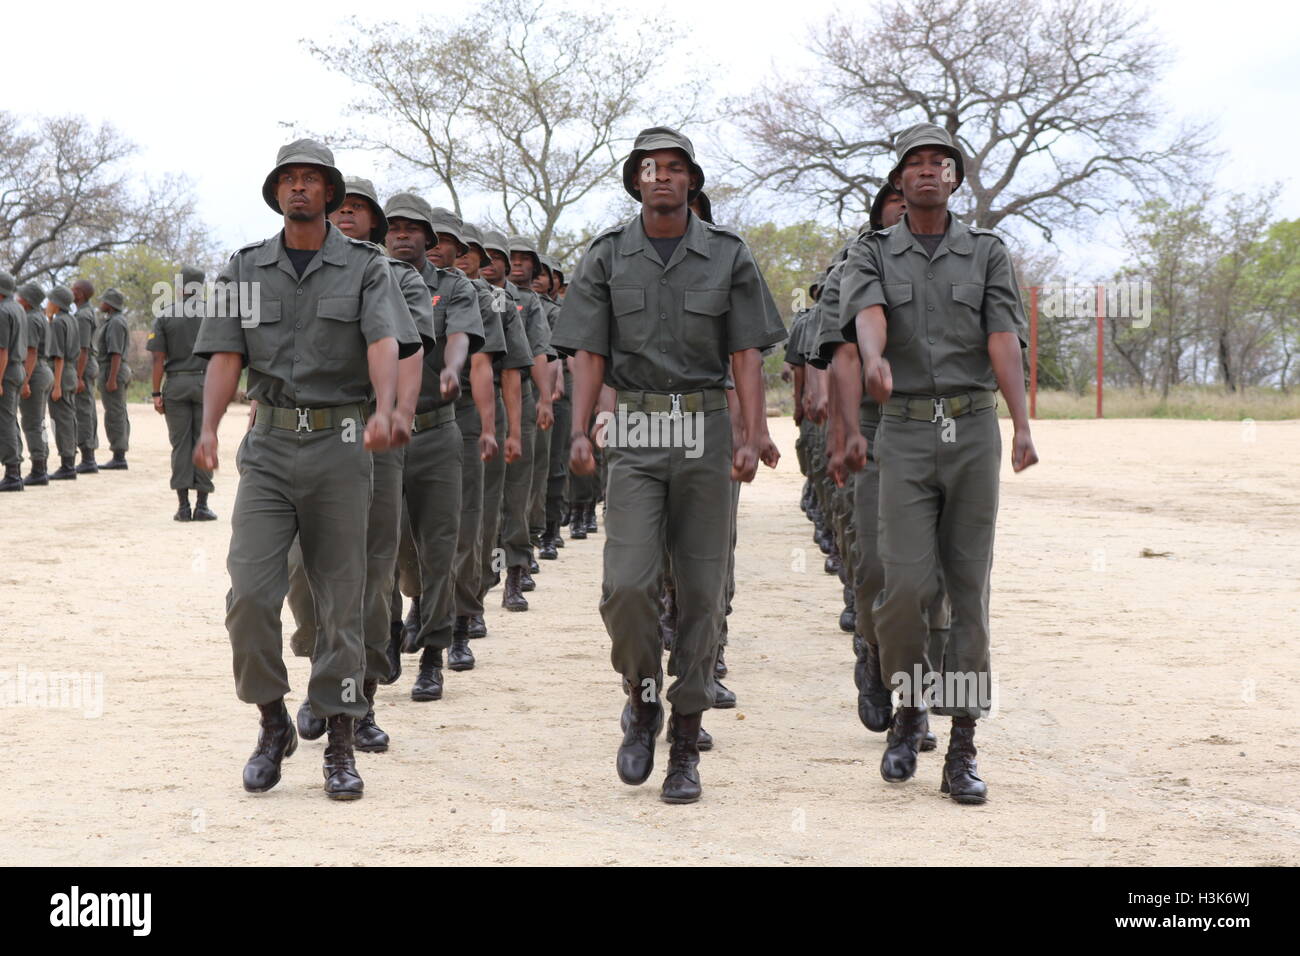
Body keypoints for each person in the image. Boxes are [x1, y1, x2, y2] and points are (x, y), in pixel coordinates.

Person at [553, 126, 785, 803]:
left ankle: (685, 741)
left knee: (704, 591)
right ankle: (642, 694)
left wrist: (751, 433)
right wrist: (579, 431)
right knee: (626, 585)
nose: (662, 177)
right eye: (650, 167)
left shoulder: (728, 254)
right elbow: (588, 352)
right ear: (635, 181)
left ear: (691, 181)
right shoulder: (605, 256)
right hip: (636, 427)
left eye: (675, 168)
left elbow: (746, 354)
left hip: (705, 428)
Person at [192, 139, 412, 800]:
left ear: (331, 193)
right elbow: (226, 355)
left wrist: (383, 408)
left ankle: (341, 742)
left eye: (311, 179)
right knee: (251, 596)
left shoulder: (366, 268)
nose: (298, 188)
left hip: (342, 446)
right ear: (275, 191)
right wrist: (206, 427)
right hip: (268, 446)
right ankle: (270, 721)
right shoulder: (244, 268)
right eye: (288, 179)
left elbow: (383, 340)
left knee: (342, 602)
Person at [828, 123, 1038, 804]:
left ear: (955, 178)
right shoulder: (872, 250)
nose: (926, 171)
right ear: (900, 180)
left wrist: (1023, 423)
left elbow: (1003, 337)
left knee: (968, 591)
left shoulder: (987, 253)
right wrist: (878, 357)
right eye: (914, 163)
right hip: (907, 431)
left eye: (938, 163)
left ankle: (963, 745)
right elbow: (869, 316)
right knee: (906, 589)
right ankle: (910, 704)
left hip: (973, 430)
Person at [282, 177, 431, 752]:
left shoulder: (396, 279)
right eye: (338, 209)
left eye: (357, 211)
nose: (345, 218)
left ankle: (358, 695)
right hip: (304, 442)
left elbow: (413, 351)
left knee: (369, 578)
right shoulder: (290, 272)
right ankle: (324, 670)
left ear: (375, 224)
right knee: (301, 572)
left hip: (371, 440)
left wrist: (396, 416)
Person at [385, 196, 483, 702]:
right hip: (383, 433)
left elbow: (464, 333)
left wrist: (451, 365)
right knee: (394, 542)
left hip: (436, 430)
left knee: (440, 544)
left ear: (429, 237)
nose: (402, 235)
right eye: (393, 227)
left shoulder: (454, 286)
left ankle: (432, 655)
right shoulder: (371, 280)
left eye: (412, 228)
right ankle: (405, 611)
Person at [449, 222, 529, 664]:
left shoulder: (493, 302)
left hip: (473, 412)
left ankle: (469, 606)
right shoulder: (390, 283)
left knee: (479, 516)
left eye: (467, 251)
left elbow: (512, 370)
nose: (459, 257)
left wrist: (508, 429)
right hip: (411, 418)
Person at [148, 265, 215, 519]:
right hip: (207, 385)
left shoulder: (165, 315)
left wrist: (156, 392)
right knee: (203, 442)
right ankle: (203, 505)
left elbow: (157, 358)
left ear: (181, 286)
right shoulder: (215, 313)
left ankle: (183, 506)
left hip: (175, 384)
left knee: (180, 445)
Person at [44, 286, 81, 480]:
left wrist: (56, 385)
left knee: (62, 419)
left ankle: (67, 465)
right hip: (70, 372)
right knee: (69, 416)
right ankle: (70, 459)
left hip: (61, 373)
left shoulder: (59, 323)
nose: (47, 304)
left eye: (50, 301)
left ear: (57, 304)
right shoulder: (71, 320)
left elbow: (58, 356)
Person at [16, 282, 51, 486]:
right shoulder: (40, 317)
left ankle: (38, 469)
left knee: (32, 423)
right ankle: (42, 464)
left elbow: (31, 352)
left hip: (35, 373)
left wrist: (25, 381)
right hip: (43, 371)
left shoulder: (30, 319)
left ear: (28, 301)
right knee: (39, 422)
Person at [95, 288, 133, 470]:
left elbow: (115, 353)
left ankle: (119, 455)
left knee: (115, 414)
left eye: (103, 301)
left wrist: (111, 379)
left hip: (113, 370)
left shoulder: (116, 323)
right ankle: (119, 452)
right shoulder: (114, 321)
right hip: (114, 370)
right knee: (118, 411)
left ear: (110, 304)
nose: (100, 303)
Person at [0, 272, 27, 491]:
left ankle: (12, 474)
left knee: (5, 421)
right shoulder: (17, 308)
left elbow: (2, 351)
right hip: (18, 369)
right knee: (11, 419)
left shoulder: (2, 311)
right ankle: (15, 467)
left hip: (6, 371)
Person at [70, 279, 100, 474]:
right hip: (87, 365)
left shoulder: (82, 316)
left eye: (73, 289)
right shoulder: (88, 312)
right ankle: (89, 456)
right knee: (87, 409)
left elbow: (83, 349)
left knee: (83, 411)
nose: (70, 292)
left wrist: (78, 377)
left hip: (83, 366)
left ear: (79, 293)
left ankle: (88, 458)